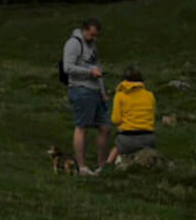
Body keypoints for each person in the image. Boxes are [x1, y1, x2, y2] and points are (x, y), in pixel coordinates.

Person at [62, 17, 111, 175]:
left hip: (95, 90)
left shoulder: (93, 47)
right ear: (84, 30)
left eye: (96, 36)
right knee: (82, 127)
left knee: (105, 127)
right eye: (91, 35)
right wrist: (89, 72)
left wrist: (103, 92)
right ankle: (82, 166)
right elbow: (68, 67)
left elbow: (98, 68)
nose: (94, 38)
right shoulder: (73, 44)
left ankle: (102, 165)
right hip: (81, 89)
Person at [106, 66, 157, 167]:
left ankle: (106, 167)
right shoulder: (149, 95)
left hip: (127, 139)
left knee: (116, 148)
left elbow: (115, 120)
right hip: (148, 139)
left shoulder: (120, 95)